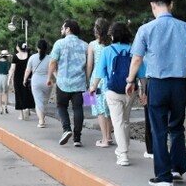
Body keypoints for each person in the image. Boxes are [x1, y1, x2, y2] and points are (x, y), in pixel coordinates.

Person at [126, 0, 186, 186]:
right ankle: (177, 168)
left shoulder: (145, 30)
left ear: (152, 6)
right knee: (176, 127)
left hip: (157, 84)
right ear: (171, 4)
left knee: (159, 129)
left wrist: (130, 80)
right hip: (179, 84)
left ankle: (164, 175)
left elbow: (137, 58)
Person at [93, 21, 145, 166]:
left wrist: (93, 86)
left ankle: (123, 154)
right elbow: (141, 72)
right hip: (130, 90)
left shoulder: (107, 51)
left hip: (113, 90)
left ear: (113, 36)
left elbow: (100, 71)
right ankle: (124, 148)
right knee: (126, 121)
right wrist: (143, 89)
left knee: (118, 122)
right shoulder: (133, 50)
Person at [47, 19, 89, 147]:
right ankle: (77, 138)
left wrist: (50, 77)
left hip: (63, 82)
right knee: (78, 109)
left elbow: (53, 62)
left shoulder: (59, 44)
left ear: (68, 29)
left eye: (63, 28)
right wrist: (87, 81)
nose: (61, 30)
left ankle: (66, 129)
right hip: (79, 83)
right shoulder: (85, 45)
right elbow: (89, 66)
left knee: (61, 106)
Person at [86, 18, 114, 147]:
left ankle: (104, 139)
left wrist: (88, 81)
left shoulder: (92, 45)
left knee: (99, 109)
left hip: (96, 78)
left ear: (96, 30)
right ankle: (109, 136)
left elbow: (90, 65)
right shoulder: (111, 45)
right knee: (109, 107)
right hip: (110, 77)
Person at [24, 39, 53, 128]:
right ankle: (42, 118)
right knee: (44, 101)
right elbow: (54, 70)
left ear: (37, 48)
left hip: (36, 81)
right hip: (47, 81)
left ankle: (41, 121)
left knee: (38, 101)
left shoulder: (32, 57)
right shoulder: (50, 58)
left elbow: (28, 70)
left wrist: (24, 79)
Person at [10, 42, 34, 120]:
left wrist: (9, 78)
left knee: (19, 94)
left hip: (18, 78)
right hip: (28, 77)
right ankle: (27, 109)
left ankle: (21, 114)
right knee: (27, 93)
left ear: (18, 47)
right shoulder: (29, 56)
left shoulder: (15, 57)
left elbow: (12, 69)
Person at [0, 49, 12, 114]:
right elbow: (9, 71)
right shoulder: (8, 63)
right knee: (6, 93)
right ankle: (6, 107)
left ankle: (0, 107)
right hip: (5, 77)